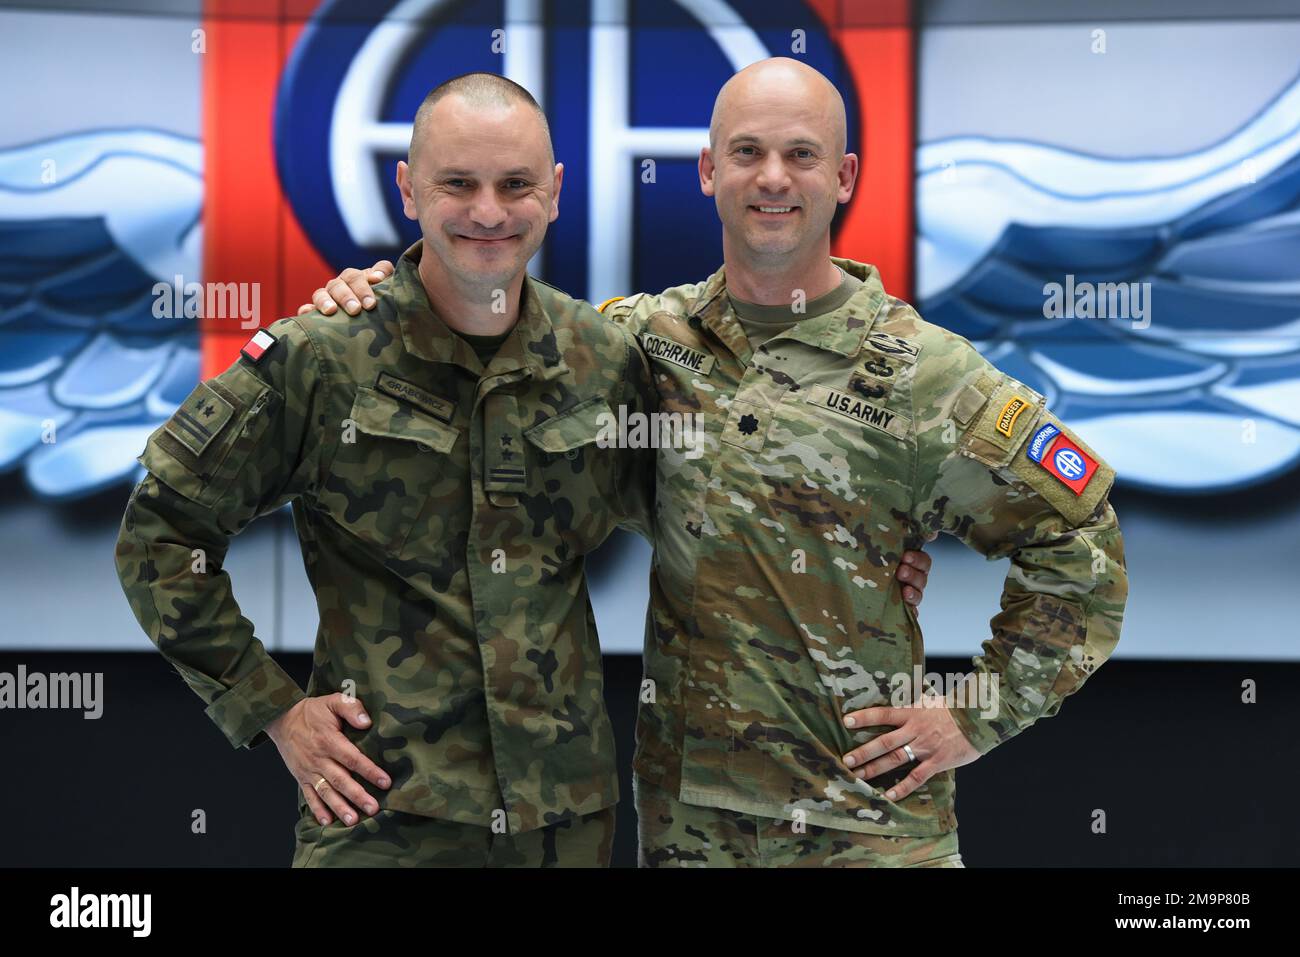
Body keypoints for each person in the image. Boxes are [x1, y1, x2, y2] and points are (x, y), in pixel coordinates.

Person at [322, 59, 1118, 870]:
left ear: (843, 178)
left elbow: (1083, 546)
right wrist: (374, 301)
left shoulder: (925, 374)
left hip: (871, 833)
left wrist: (973, 714)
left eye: (801, 156)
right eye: (746, 152)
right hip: (691, 834)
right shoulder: (636, 343)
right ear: (709, 171)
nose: (772, 178)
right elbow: (487, 335)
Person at [114, 73, 660, 867]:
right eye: (457, 184)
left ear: (556, 191)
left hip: (563, 821)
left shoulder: (604, 361)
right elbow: (159, 533)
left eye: (515, 185)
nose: (487, 211)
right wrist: (272, 708)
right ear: (407, 188)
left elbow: (706, 530)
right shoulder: (324, 356)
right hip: (384, 815)